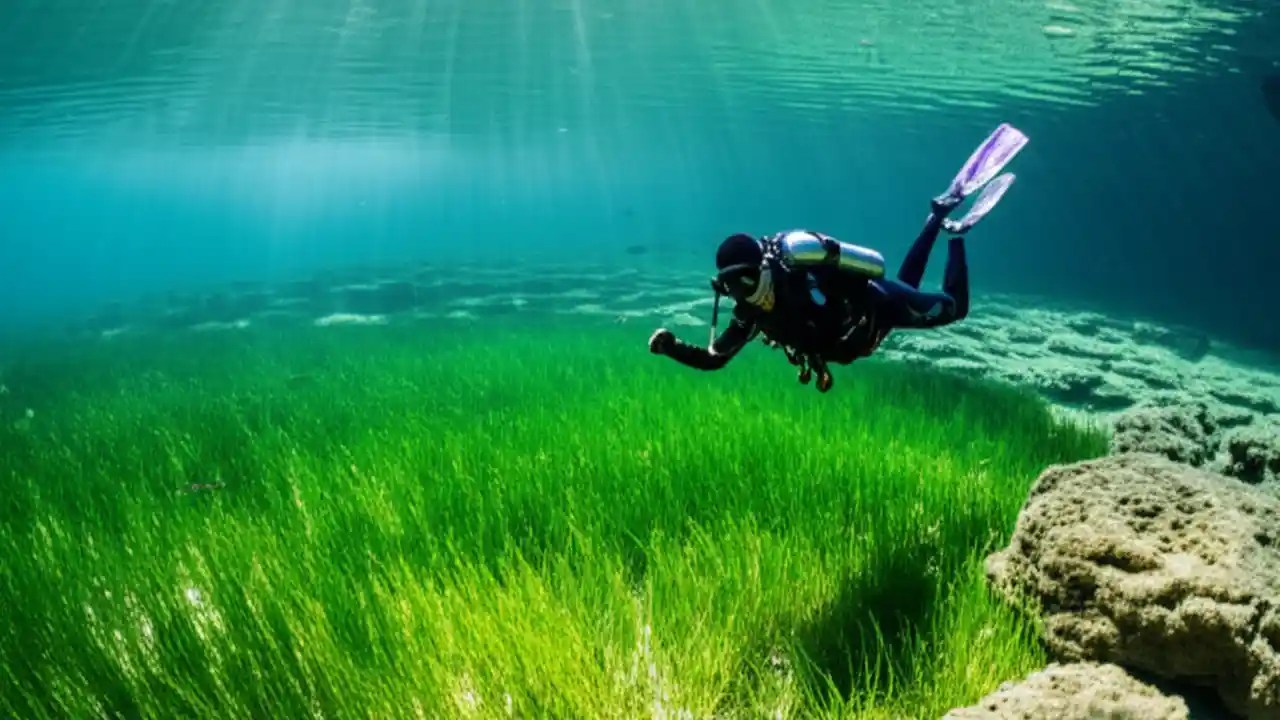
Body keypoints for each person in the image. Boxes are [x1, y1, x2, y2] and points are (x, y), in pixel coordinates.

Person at [647, 123, 1028, 392]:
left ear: (761, 267)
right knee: (907, 285)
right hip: (863, 334)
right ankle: (936, 217)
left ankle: (955, 235)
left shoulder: (794, 267)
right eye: (732, 288)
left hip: (878, 308)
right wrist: (671, 347)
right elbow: (714, 359)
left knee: (953, 309)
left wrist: (837, 285)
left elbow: (872, 269)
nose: (744, 294)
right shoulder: (750, 314)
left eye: (745, 281)